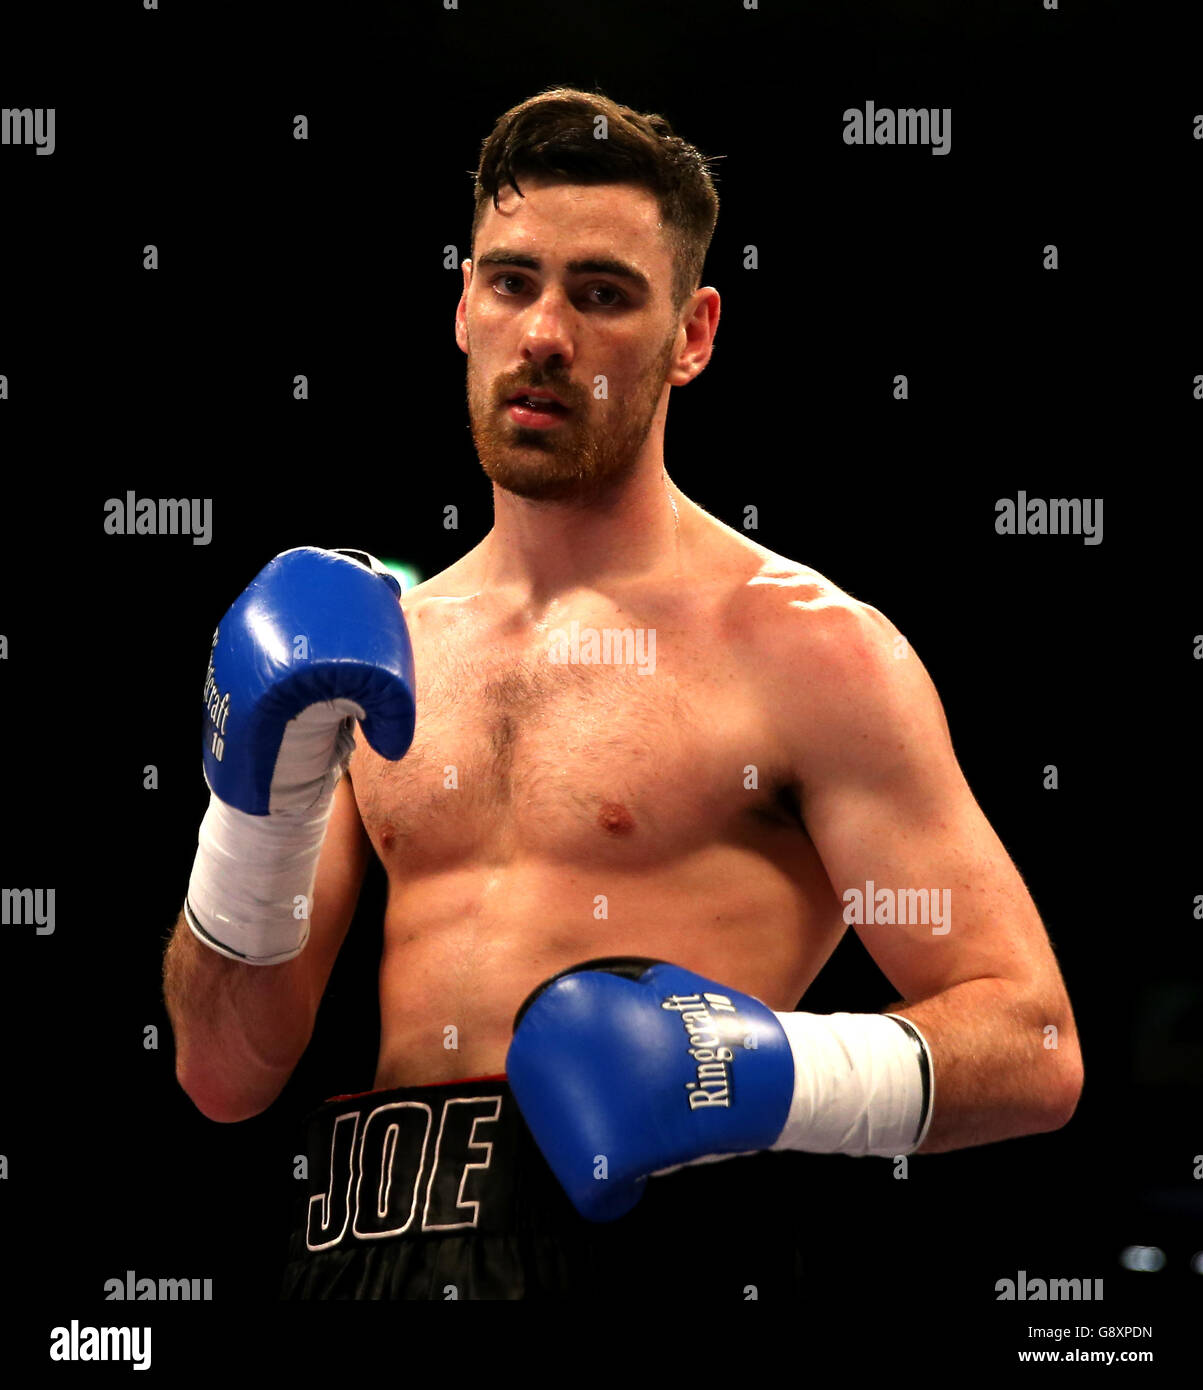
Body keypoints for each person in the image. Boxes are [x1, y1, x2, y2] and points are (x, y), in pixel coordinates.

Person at [163, 87, 1083, 1300]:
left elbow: (1034, 1042)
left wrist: (762, 1073)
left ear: (693, 334)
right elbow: (224, 1070)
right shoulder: (374, 652)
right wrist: (252, 815)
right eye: (511, 282)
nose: (545, 332)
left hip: (653, 1266)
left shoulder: (806, 649)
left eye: (601, 294)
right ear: (462, 305)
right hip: (356, 1254)